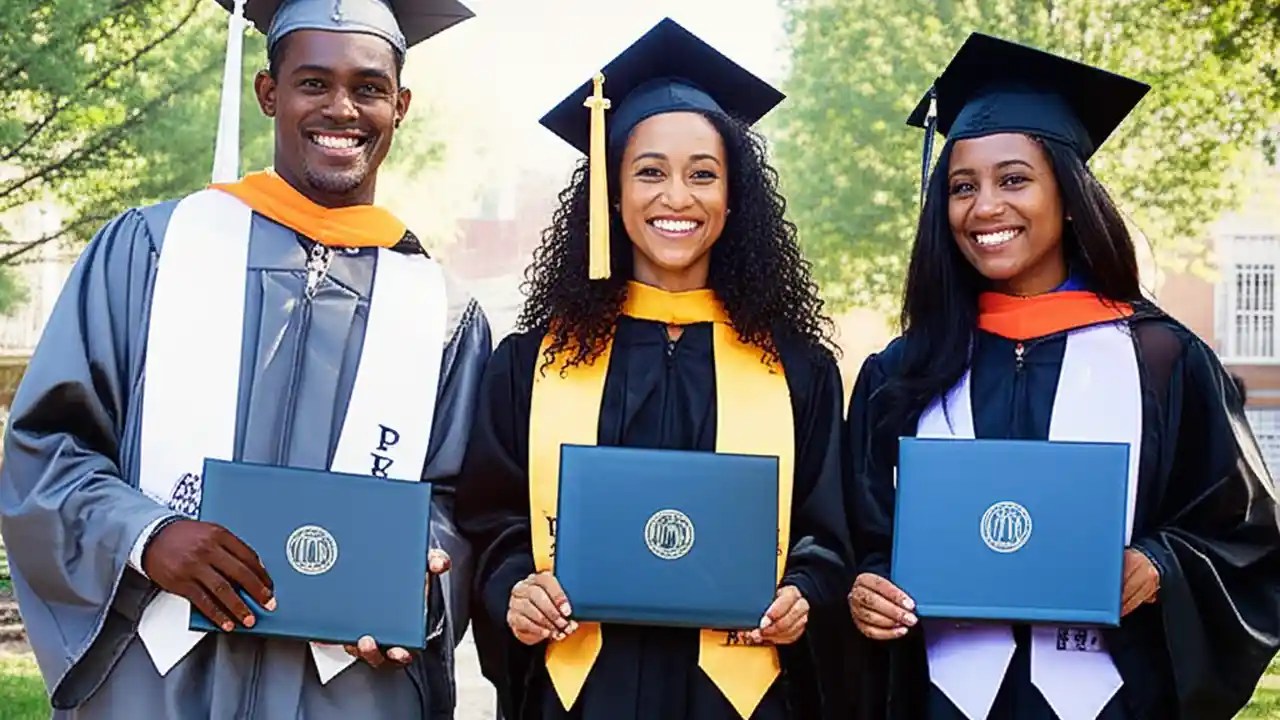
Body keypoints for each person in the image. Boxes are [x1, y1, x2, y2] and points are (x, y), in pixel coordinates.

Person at [0, 0, 490, 718]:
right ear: (269, 93)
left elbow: (458, 505)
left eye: (369, 88)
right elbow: (47, 449)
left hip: (344, 691)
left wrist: (417, 578)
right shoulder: (150, 254)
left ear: (401, 105)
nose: (342, 110)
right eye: (313, 83)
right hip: (155, 685)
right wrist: (146, 535)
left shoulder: (441, 311)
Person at [843, 32, 1280, 720]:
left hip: (1112, 699)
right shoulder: (901, 372)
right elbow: (856, 535)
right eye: (962, 187)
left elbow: (1246, 534)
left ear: (1069, 195)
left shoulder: (1162, 361)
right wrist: (864, 585)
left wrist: (1162, 565)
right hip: (941, 701)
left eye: (1014, 179)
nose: (985, 207)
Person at [454, 17, 852, 720]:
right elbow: (492, 522)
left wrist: (806, 593)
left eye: (703, 174)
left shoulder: (796, 371)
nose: (677, 197)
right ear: (612, 193)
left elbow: (828, 533)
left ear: (734, 199)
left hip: (741, 700)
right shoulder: (532, 364)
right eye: (649, 172)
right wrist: (516, 585)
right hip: (581, 694)